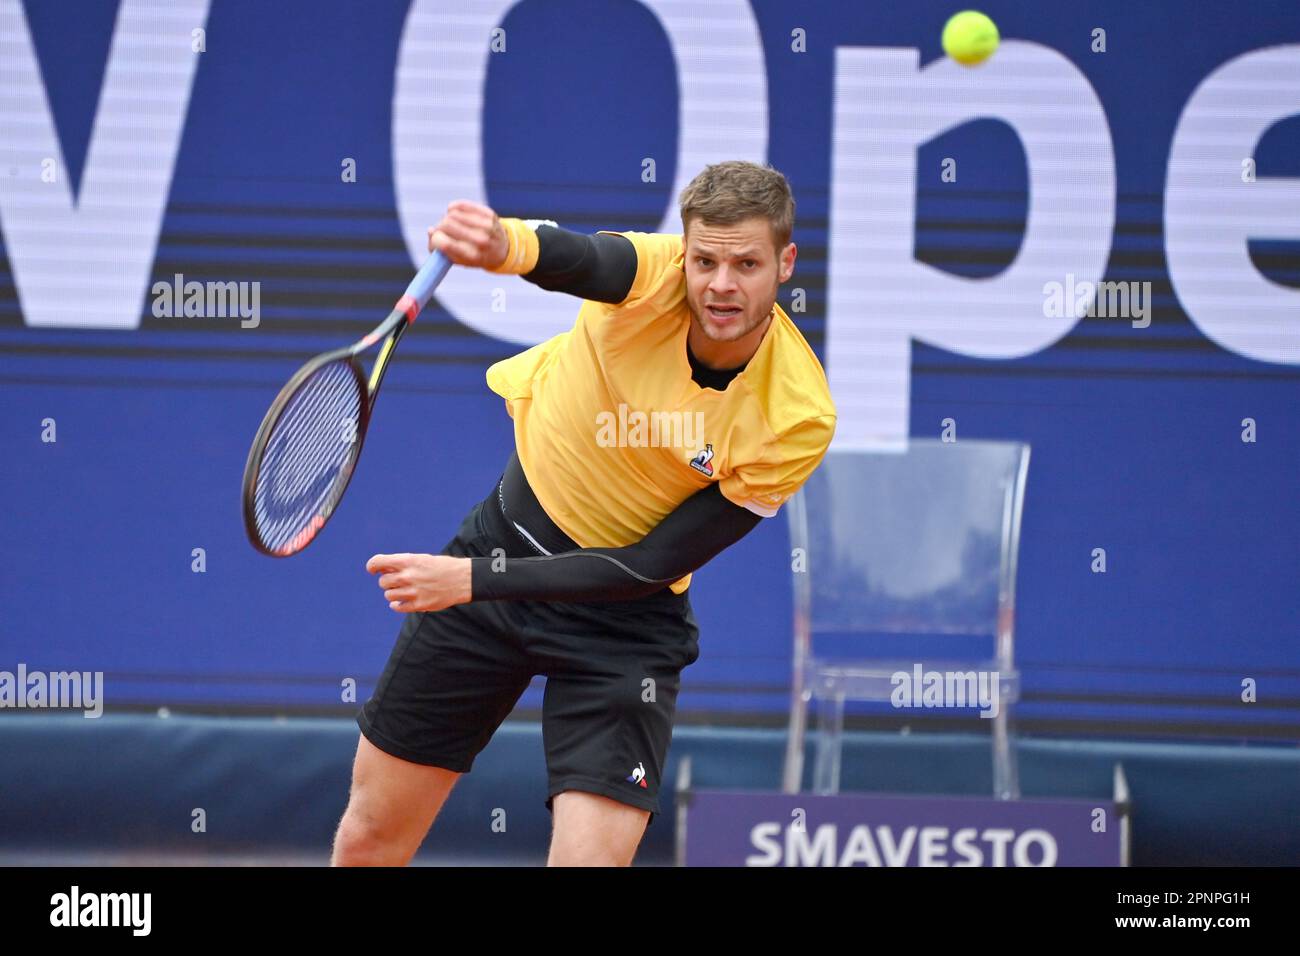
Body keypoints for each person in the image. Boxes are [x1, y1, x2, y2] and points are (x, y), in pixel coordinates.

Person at [331, 160, 836, 866]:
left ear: (784, 263)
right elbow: (580, 256)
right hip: (502, 545)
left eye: (747, 264)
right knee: (369, 838)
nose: (722, 284)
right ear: (684, 256)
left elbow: (648, 565)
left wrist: (475, 581)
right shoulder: (654, 275)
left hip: (621, 625)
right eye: (706, 261)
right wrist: (501, 245)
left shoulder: (797, 415)